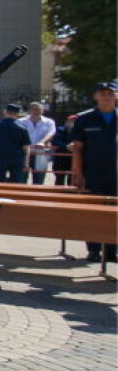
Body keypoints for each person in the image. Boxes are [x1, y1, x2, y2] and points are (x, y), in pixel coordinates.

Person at [70, 81, 117, 262]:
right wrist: (78, 172)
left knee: (115, 212)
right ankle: (94, 249)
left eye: (110, 93)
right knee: (92, 212)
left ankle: (112, 250)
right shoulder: (85, 119)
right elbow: (77, 148)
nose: (106, 97)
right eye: (102, 93)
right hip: (93, 173)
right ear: (95, 96)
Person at [0, 104, 31, 183]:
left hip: (0, 157)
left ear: (5, 112)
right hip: (17, 158)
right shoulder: (22, 128)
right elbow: (26, 147)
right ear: (17, 113)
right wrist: (26, 162)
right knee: (16, 182)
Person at [19, 102, 56, 185]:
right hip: (24, 153)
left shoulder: (49, 122)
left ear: (42, 111)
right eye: (33, 109)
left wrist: (42, 142)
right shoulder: (21, 122)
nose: (36, 111)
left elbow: (51, 133)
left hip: (41, 153)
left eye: (38, 109)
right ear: (29, 110)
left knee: (39, 178)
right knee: (22, 177)